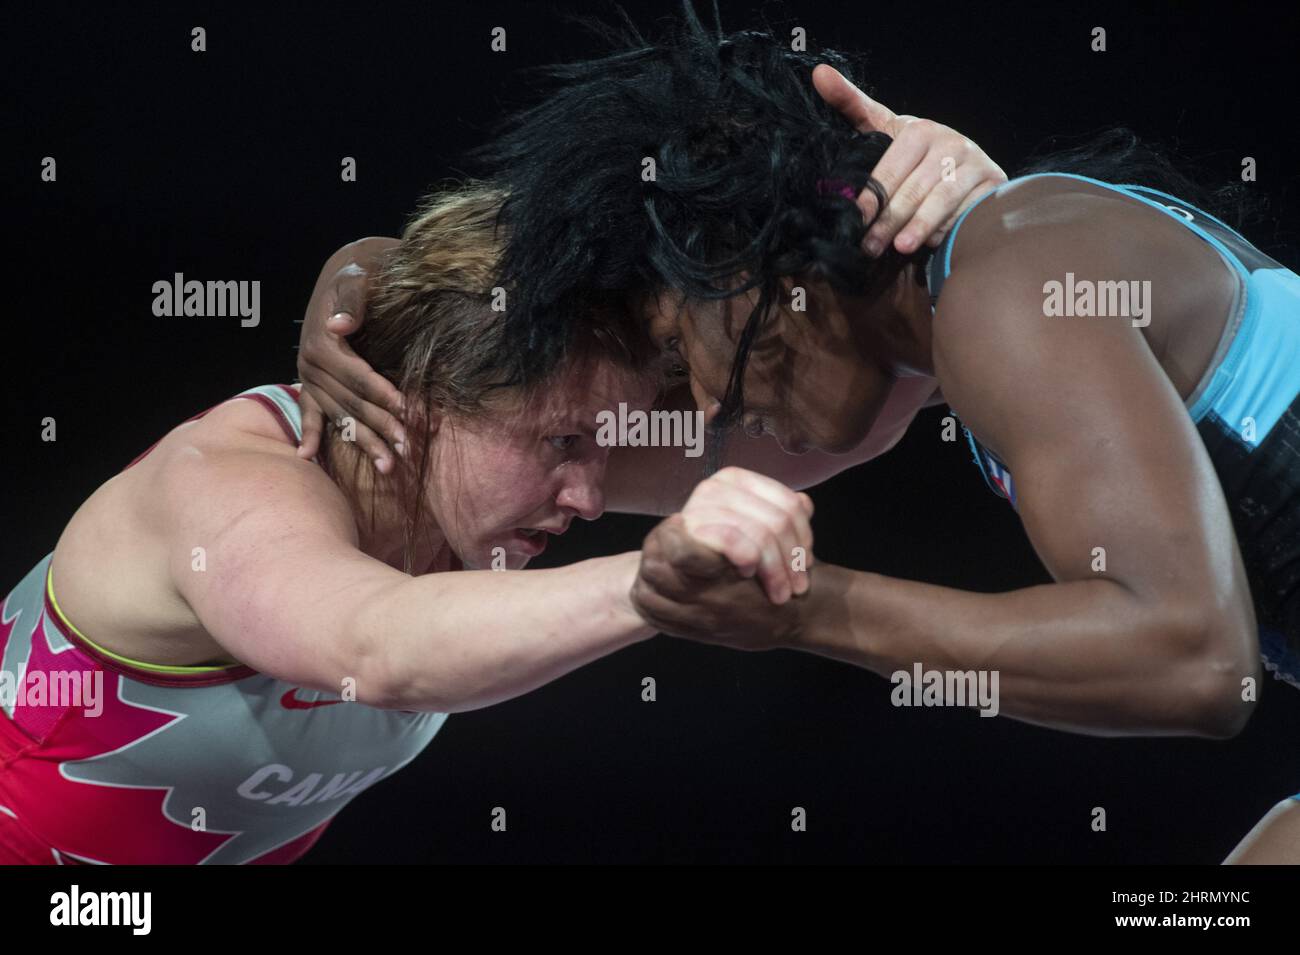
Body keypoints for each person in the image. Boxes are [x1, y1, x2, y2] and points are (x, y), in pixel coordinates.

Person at [298, 9, 1300, 863]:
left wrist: (807, 611)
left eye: (679, 342)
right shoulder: (979, 291)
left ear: (770, 274)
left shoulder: (1007, 282)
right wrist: (362, 281)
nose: (699, 402)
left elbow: (1195, 665)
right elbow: (499, 313)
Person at [0, 180, 815, 864]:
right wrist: (652, 583)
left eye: (606, 444)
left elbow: (813, 437)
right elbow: (378, 644)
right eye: (565, 443)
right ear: (423, 390)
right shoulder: (228, 488)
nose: (592, 497)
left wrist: (903, 228)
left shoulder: (481, 460)